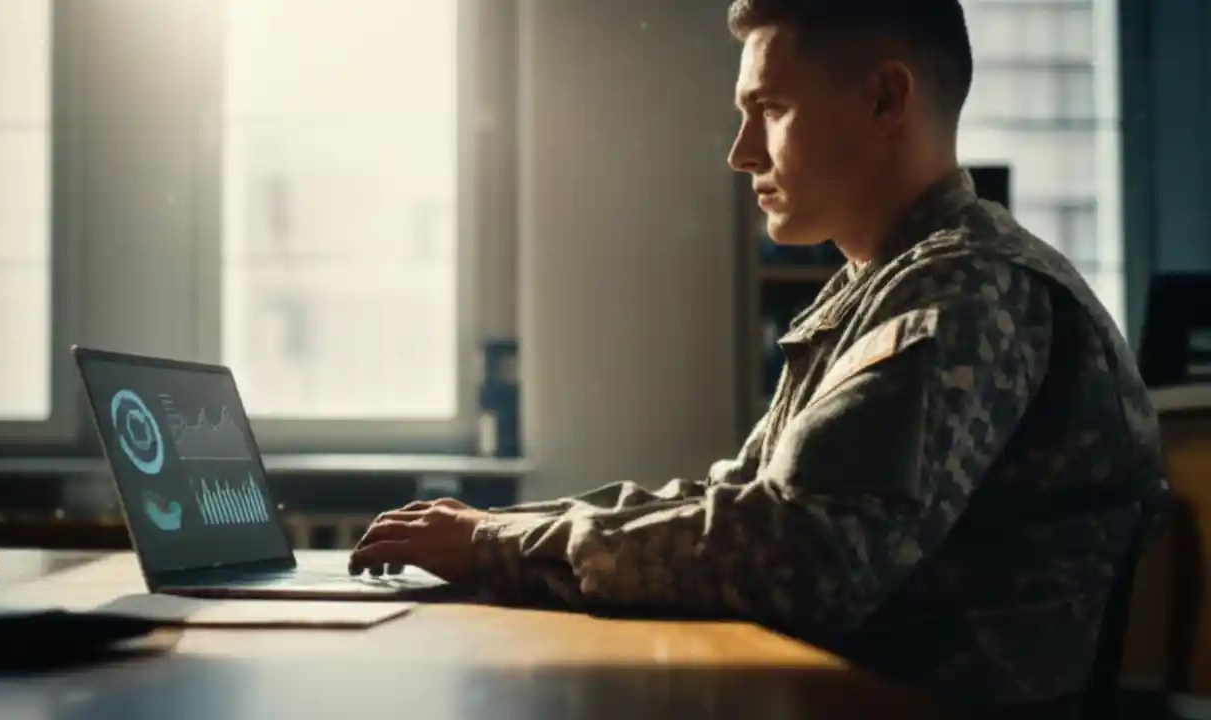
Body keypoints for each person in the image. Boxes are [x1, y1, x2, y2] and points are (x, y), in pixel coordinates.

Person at [350, 0, 1169, 711]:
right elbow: (740, 500)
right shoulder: (886, 285)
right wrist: (501, 528)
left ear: (885, 97)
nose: (742, 152)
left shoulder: (967, 287)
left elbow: (798, 558)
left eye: (769, 108)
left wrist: (498, 547)